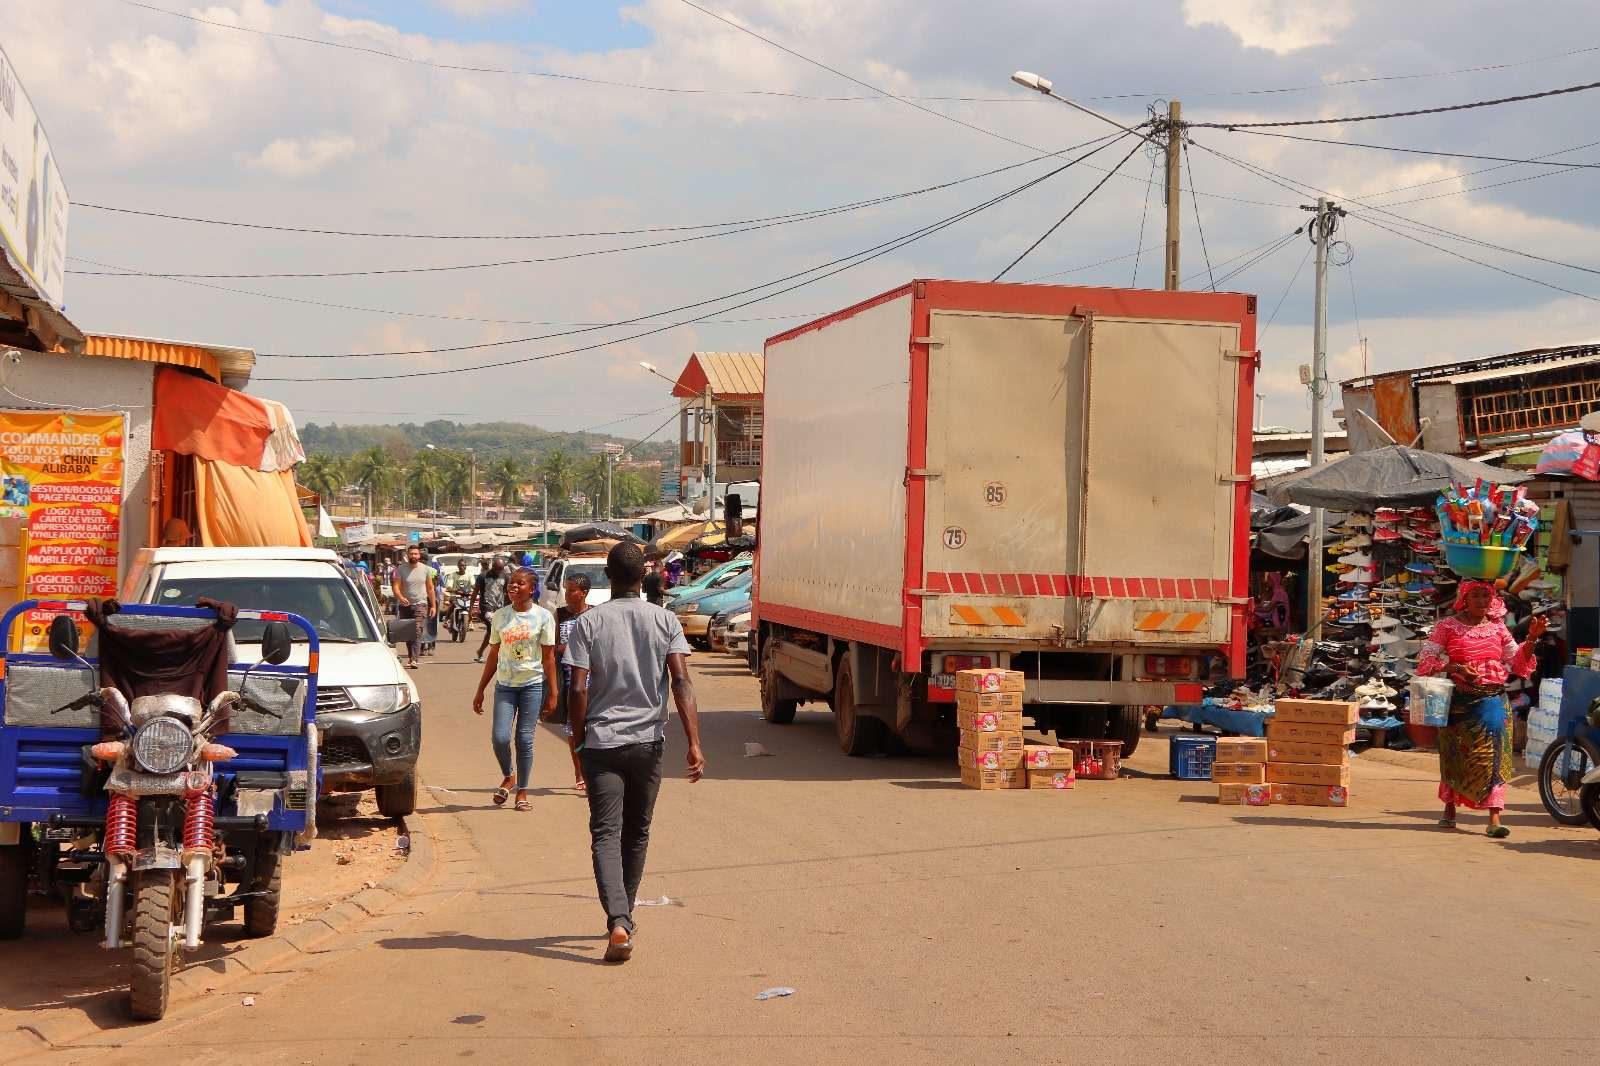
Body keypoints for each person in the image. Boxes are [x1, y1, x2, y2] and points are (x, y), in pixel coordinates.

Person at [565, 542, 704, 963]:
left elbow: (576, 688)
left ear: (607, 577)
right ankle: (624, 918)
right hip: (647, 743)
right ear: (643, 577)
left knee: (605, 833)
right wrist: (695, 740)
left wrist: (579, 740)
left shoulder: (587, 623)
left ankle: (619, 921)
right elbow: (681, 682)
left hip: (602, 743)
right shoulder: (665, 621)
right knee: (637, 831)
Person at [1416, 580, 1548, 838]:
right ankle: (1450, 808)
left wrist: (1532, 637)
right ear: (1464, 599)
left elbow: (1518, 661)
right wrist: (1455, 668)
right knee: (1456, 755)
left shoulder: (1498, 628)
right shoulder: (1447, 626)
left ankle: (1494, 816)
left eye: (1486, 597)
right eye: (1475, 596)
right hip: (1458, 703)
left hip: (1493, 700)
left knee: (1494, 755)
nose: (1481, 601)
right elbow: (1426, 659)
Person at [471, 568, 557, 812]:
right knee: (500, 737)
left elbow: (549, 658)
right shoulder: (500, 616)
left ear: (532, 589)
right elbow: (493, 654)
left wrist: (553, 692)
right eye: (511, 583)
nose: (513, 587)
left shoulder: (543, 617)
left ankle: (522, 791)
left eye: (520, 584)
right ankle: (509, 775)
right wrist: (480, 689)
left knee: (524, 739)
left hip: (532, 686)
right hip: (505, 686)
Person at [554, 574, 593, 792]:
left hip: (593, 681)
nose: (567, 595)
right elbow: (553, 647)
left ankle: (592, 770)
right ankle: (579, 771)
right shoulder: (560, 614)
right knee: (573, 729)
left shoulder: (595, 613)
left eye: (571, 591)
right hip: (569, 681)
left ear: (583, 593)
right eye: (566, 590)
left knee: (592, 727)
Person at [391, 545, 436, 670]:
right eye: (411, 554)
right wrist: (400, 597)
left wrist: (433, 605)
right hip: (405, 605)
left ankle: (414, 659)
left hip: (420, 604)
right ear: (407, 555)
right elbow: (395, 586)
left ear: (419, 555)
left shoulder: (426, 569)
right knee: (408, 633)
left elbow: (430, 588)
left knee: (417, 631)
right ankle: (412, 656)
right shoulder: (400, 569)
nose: (414, 556)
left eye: (416, 554)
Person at [473, 556, 509, 663]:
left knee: (490, 632)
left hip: (500, 608)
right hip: (486, 608)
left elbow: (507, 594)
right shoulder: (483, 576)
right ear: (492, 567)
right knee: (495, 629)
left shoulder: (505, 576)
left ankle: (480, 651)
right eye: (497, 568)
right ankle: (498, 655)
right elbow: (475, 593)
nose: (499, 571)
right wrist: (471, 609)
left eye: (501, 568)